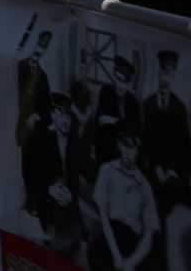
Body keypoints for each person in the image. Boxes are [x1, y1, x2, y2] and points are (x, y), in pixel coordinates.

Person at [23, 94, 84, 258]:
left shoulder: (74, 142)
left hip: (67, 204)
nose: (65, 120)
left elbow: (76, 176)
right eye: (61, 114)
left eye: (68, 116)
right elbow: (31, 176)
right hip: (44, 202)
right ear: (53, 115)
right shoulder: (41, 139)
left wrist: (70, 193)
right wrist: (49, 189)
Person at [93, 128, 162, 271]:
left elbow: (149, 233)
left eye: (132, 147)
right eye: (124, 145)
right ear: (119, 145)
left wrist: (131, 263)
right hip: (109, 238)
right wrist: (116, 256)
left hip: (132, 244)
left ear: (138, 150)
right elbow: (104, 218)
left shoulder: (144, 185)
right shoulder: (107, 170)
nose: (127, 151)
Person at [144, 51, 189, 210]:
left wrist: (171, 170)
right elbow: (145, 141)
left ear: (174, 75)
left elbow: (184, 145)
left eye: (169, 73)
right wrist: (156, 168)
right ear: (158, 73)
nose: (166, 77)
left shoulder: (180, 108)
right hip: (151, 169)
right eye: (163, 72)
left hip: (173, 171)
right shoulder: (147, 105)